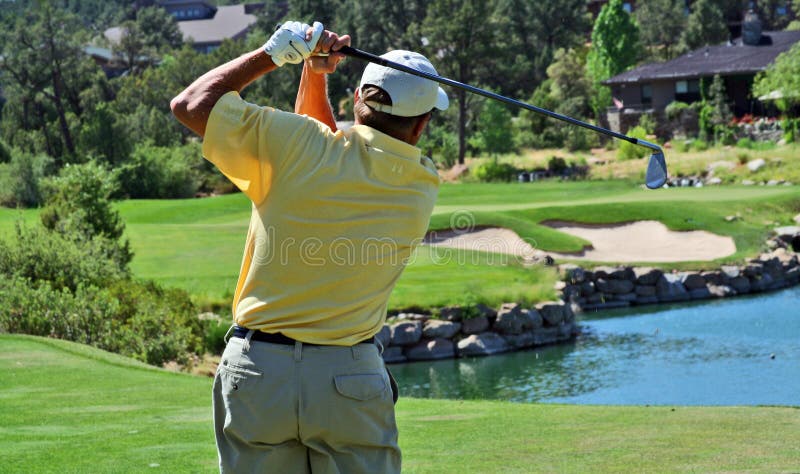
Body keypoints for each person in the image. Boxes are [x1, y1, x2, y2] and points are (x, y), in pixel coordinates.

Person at [171, 20, 448, 473]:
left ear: (357, 100)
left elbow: (190, 105)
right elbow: (324, 145)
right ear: (420, 127)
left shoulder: (299, 146)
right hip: (350, 378)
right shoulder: (421, 182)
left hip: (258, 373)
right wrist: (312, 74)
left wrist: (275, 55)